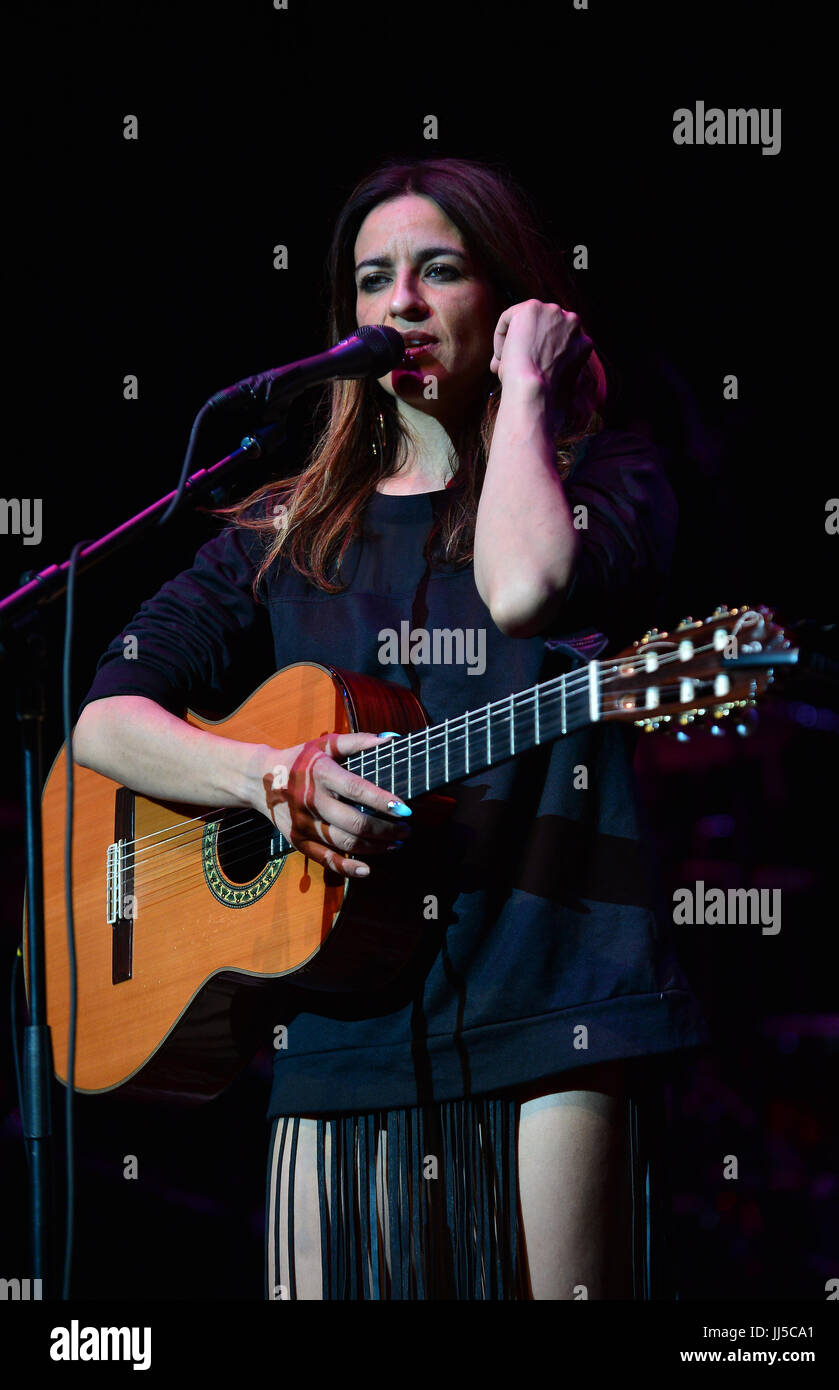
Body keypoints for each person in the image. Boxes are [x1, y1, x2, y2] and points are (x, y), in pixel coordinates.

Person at [73, 156, 708, 1300]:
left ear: (510, 299)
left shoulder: (607, 478)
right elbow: (104, 725)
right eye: (372, 280)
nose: (400, 302)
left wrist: (525, 388)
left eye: (439, 270)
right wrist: (272, 776)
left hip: (555, 1001)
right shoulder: (284, 534)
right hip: (339, 1025)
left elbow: (523, 592)